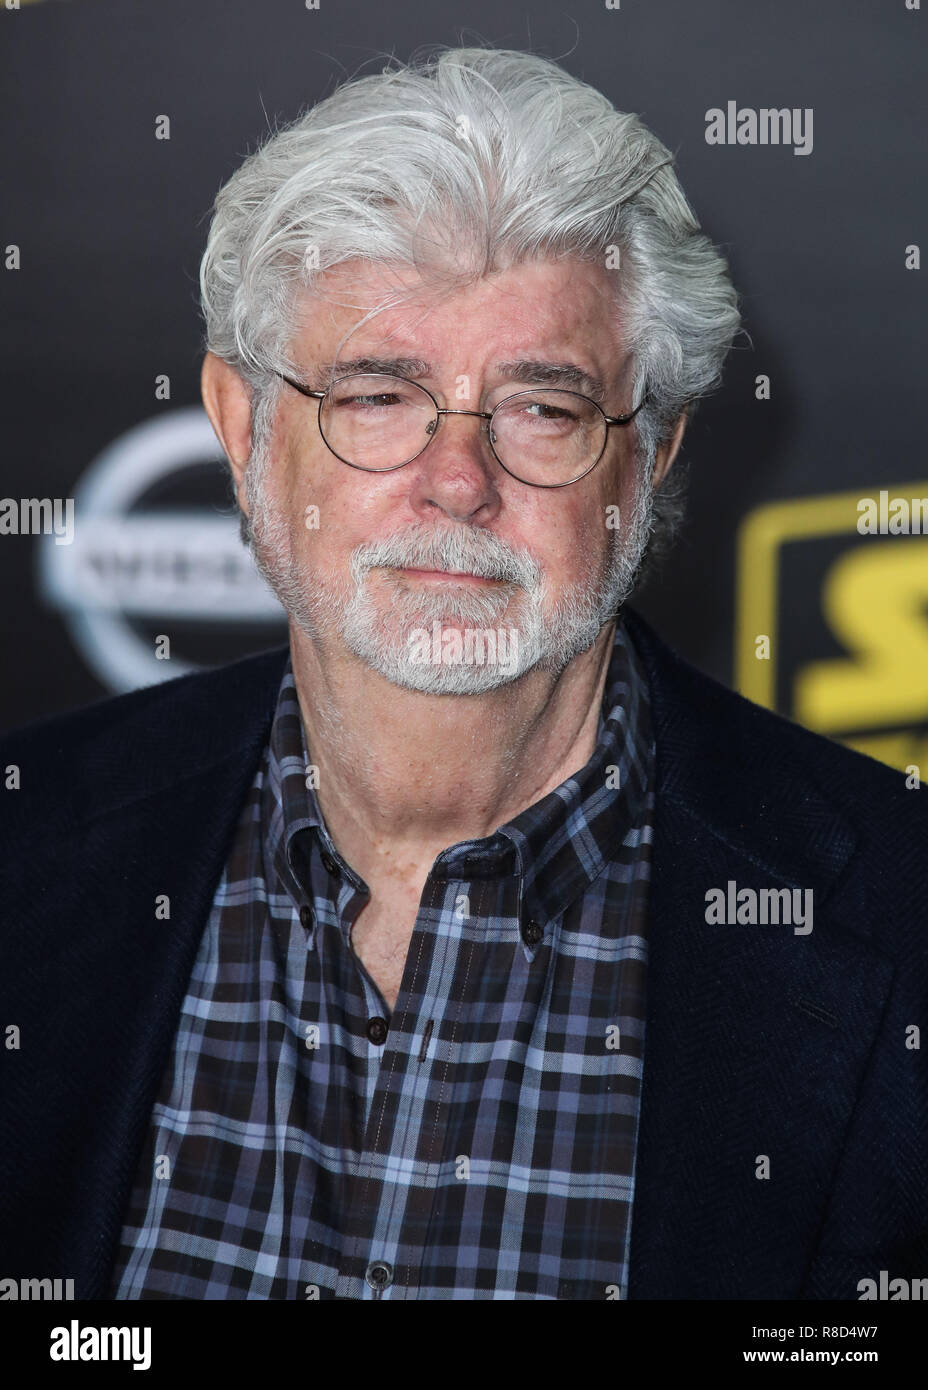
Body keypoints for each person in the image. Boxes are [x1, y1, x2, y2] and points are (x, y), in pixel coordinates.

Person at [2, 46, 925, 1302]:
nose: (456, 480)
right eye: (379, 395)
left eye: (542, 408)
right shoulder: (30, 841)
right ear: (240, 429)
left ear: (647, 460)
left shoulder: (895, 914)